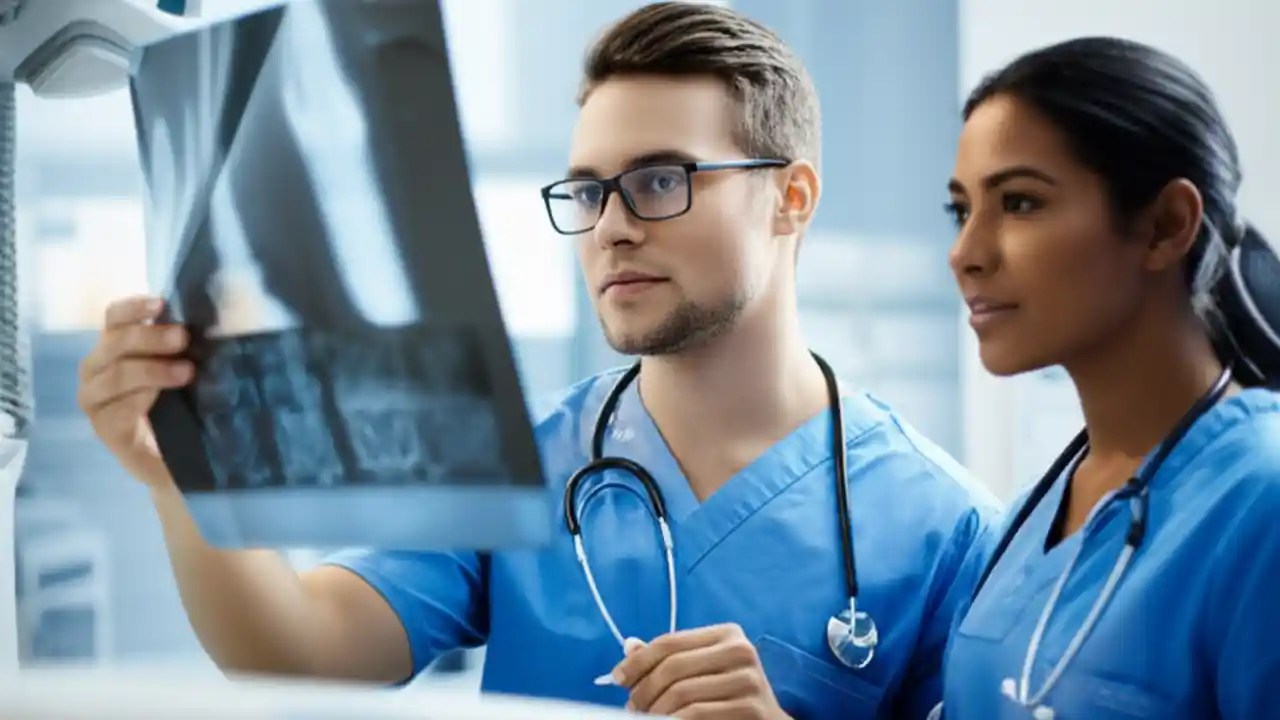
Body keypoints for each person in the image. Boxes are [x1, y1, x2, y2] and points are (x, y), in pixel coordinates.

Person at [76, 3, 999, 718]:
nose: (612, 226)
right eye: (589, 189)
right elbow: (302, 651)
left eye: (660, 180)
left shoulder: (948, 529)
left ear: (791, 198)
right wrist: (181, 481)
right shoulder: (523, 457)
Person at [939, 36, 1280, 719]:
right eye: (961, 210)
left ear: (1164, 225)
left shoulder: (1260, 500)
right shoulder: (1030, 517)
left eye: (1020, 203)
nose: (965, 254)